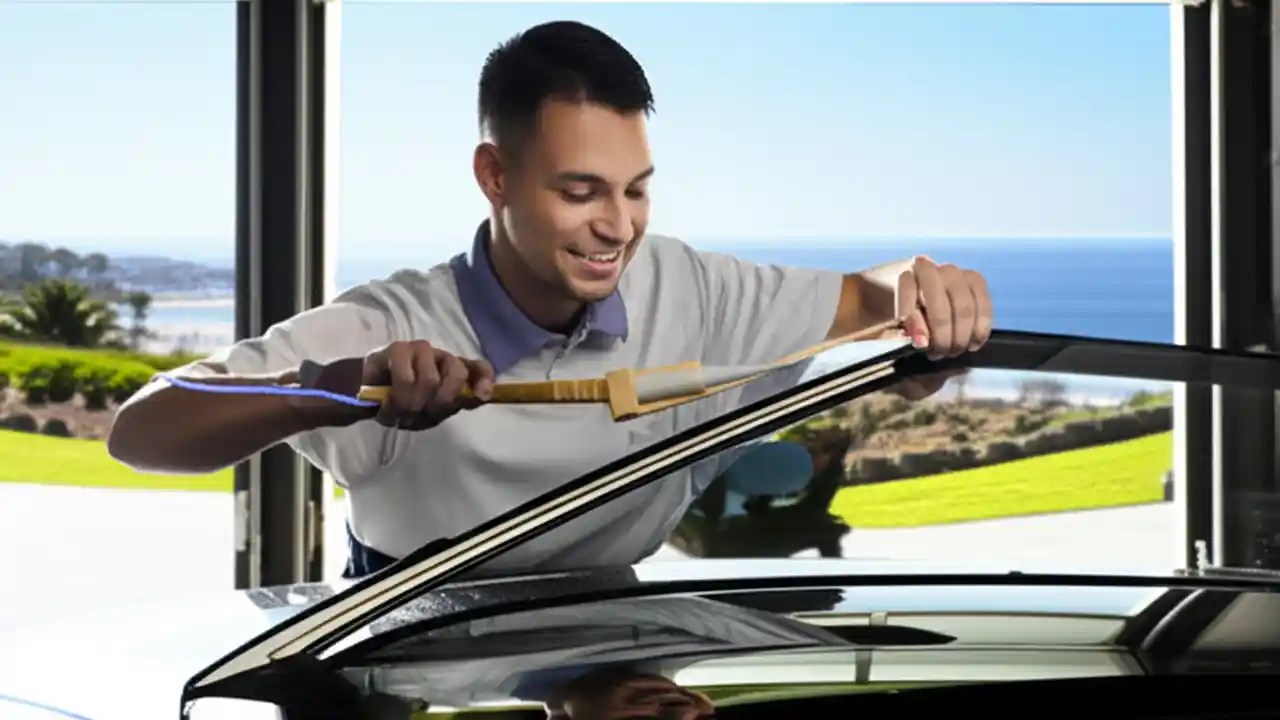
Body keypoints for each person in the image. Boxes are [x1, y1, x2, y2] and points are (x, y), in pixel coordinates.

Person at [107, 20, 993, 578]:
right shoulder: (389, 323)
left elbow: (868, 299)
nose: (618, 228)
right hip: (415, 658)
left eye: (636, 189)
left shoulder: (694, 287)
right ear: (495, 176)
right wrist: (338, 384)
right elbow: (141, 429)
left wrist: (920, 287)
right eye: (580, 193)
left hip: (617, 640)